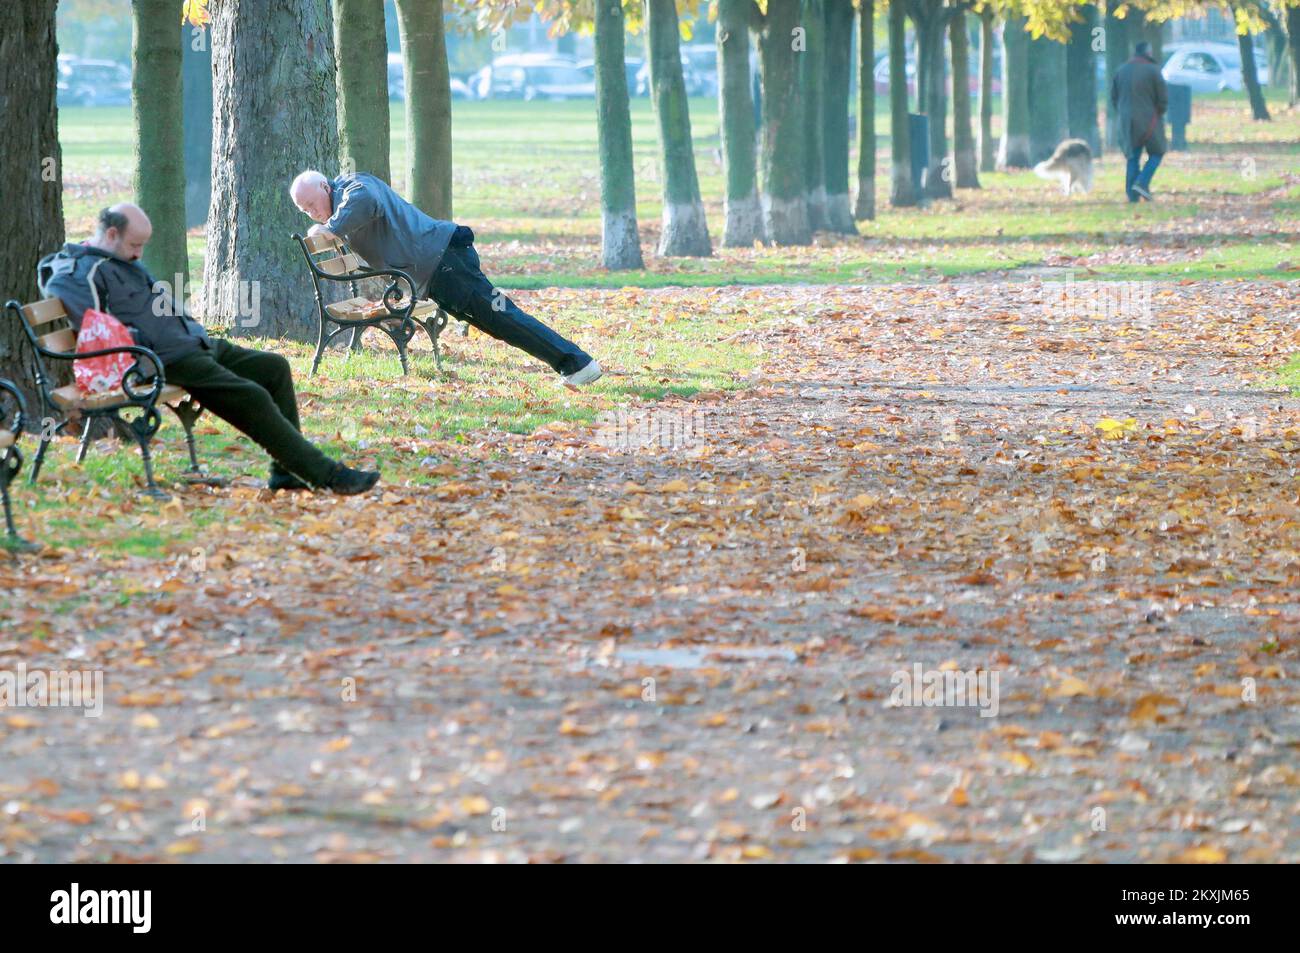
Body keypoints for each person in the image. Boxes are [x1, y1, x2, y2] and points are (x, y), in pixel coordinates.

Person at [39, 204, 380, 495]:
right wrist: (139, 346)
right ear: (111, 234)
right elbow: (92, 326)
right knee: (251, 397)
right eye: (134, 244)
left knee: (273, 368)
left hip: (194, 344)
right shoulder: (76, 271)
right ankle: (328, 475)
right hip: (164, 360)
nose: (139, 253)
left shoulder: (119, 259)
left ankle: (285, 474)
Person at [289, 170, 603, 388]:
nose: (311, 212)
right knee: (500, 321)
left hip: (446, 262)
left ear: (325, 188)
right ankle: (572, 363)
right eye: (304, 210)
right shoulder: (345, 192)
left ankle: (576, 363)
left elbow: (365, 199)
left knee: (504, 317)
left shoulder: (353, 187)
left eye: (312, 204)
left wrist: (328, 228)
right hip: (441, 266)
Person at [1110, 41, 1168, 203]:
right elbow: (1163, 99)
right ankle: (1142, 182)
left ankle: (1132, 194)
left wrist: (1122, 113)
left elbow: (1113, 98)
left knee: (1133, 156)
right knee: (1157, 152)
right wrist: (1159, 113)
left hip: (1126, 120)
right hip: (1150, 120)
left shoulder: (1121, 71)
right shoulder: (1154, 71)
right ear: (1148, 53)